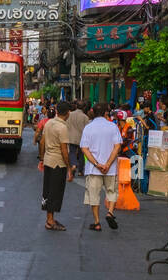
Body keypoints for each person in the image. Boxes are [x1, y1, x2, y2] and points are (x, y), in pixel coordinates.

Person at [81, 103, 123, 232]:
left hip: (94, 169)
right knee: (112, 191)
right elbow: (117, 146)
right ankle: (110, 213)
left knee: (94, 195)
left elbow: (84, 148)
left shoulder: (88, 128)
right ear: (106, 113)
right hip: (110, 169)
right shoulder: (113, 127)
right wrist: (108, 164)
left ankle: (97, 222)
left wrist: (97, 164)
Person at [40, 99, 74, 231]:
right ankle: (50, 221)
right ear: (68, 112)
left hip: (48, 160)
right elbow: (64, 150)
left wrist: (42, 158)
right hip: (58, 164)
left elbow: (42, 142)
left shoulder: (49, 123)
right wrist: (69, 168)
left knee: (48, 191)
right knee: (55, 192)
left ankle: (50, 218)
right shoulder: (62, 127)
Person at [66, 101, 90, 176]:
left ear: (76, 106)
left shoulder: (70, 115)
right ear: (84, 107)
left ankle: (73, 164)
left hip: (71, 137)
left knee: (72, 152)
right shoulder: (85, 117)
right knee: (81, 154)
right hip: (81, 138)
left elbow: (66, 125)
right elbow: (87, 129)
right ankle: (80, 171)